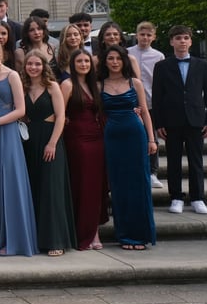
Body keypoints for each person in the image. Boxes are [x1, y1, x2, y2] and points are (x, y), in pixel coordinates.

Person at [0, 36, 38, 256]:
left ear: (1, 52)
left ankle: (12, 239)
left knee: (8, 182)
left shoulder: (12, 75)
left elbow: (21, 110)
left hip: (7, 132)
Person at [153, 25, 207, 215]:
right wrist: (159, 122)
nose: (182, 41)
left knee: (196, 161)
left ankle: (198, 198)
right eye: (178, 38)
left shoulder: (201, 65)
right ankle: (176, 197)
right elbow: (157, 97)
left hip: (196, 120)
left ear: (190, 41)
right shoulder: (162, 66)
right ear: (172, 41)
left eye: (186, 38)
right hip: (172, 121)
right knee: (173, 161)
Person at [100, 45, 157, 248]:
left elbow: (145, 112)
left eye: (118, 58)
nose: (114, 62)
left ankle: (140, 235)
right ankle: (124, 235)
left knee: (139, 184)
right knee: (118, 187)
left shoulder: (135, 83)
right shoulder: (100, 84)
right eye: (110, 58)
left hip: (135, 135)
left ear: (124, 61)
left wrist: (151, 139)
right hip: (112, 138)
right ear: (105, 62)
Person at [20, 50, 76, 256]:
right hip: (28, 141)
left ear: (44, 66)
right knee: (33, 188)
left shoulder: (53, 87)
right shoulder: (23, 87)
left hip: (50, 140)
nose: (33, 67)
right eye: (29, 64)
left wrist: (52, 143)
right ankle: (35, 239)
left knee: (51, 190)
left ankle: (56, 240)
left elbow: (61, 117)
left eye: (37, 64)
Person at [60, 49, 108, 250]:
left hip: (97, 139)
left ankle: (94, 230)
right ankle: (83, 233)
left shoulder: (96, 85)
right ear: (73, 64)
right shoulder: (67, 84)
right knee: (82, 186)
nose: (83, 64)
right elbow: (60, 113)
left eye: (86, 61)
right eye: (79, 61)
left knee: (97, 187)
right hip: (77, 140)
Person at [128, 21, 166, 188]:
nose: (145, 38)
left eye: (148, 35)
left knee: (152, 137)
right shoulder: (128, 53)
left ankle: (152, 172)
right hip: (130, 101)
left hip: (150, 101)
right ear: (136, 35)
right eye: (142, 34)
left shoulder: (158, 56)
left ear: (154, 37)